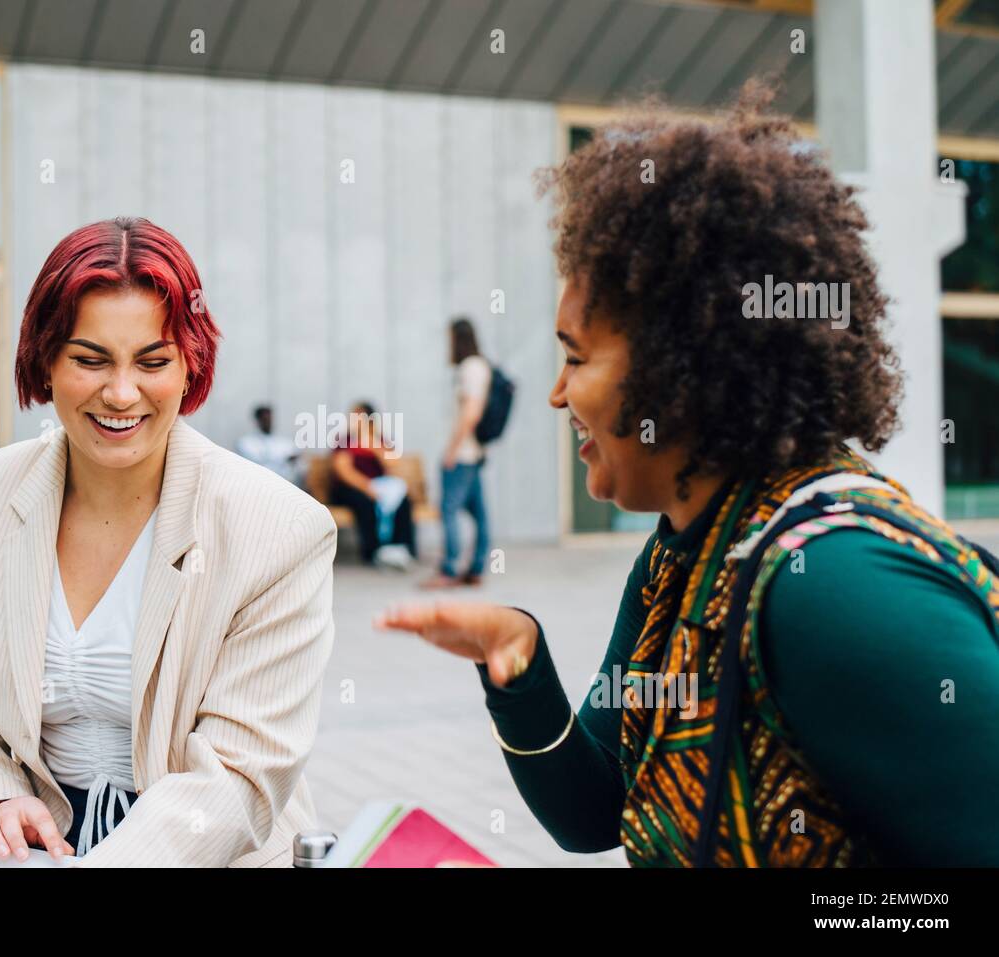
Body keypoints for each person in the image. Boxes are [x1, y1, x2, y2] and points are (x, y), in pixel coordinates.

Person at [376, 85, 999, 866]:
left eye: (575, 356)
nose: (556, 393)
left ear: (684, 369)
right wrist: (521, 665)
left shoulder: (835, 585)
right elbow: (598, 808)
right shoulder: (685, 550)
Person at [0, 216, 337, 867]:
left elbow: (239, 778)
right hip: (35, 848)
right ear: (43, 360)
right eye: (91, 358)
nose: (122, 392)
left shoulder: (279, 529)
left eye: (153, 361)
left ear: (191, 365)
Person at [422, 317, 492, 589]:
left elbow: (471, 412)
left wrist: (451, 450)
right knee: (479, 513)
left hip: (462, 454)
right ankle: (475, 568)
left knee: (448, 509)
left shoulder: (471, 367)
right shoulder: (479, 367)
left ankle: (450, 569)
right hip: (473, 454)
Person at [329, 402, 416, 570]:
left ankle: (401, 549)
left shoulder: (380, 440)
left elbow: (394, 464)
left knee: (404, 501)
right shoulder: (345, 441)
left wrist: (373, 445)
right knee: (365, 502)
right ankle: (374, 552)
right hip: (350, 489)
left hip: (378, 487)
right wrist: (367, 487)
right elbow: (343, 471)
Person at [236, 404, 301, 485]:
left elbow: (294, 466)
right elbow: (257, 465)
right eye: (265, 419)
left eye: (270, 419)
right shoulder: (245, 443)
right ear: (258, 420)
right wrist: (284, 460)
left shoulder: (284, 442)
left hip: (283, 485)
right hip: (257, 484)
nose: (268, 422)